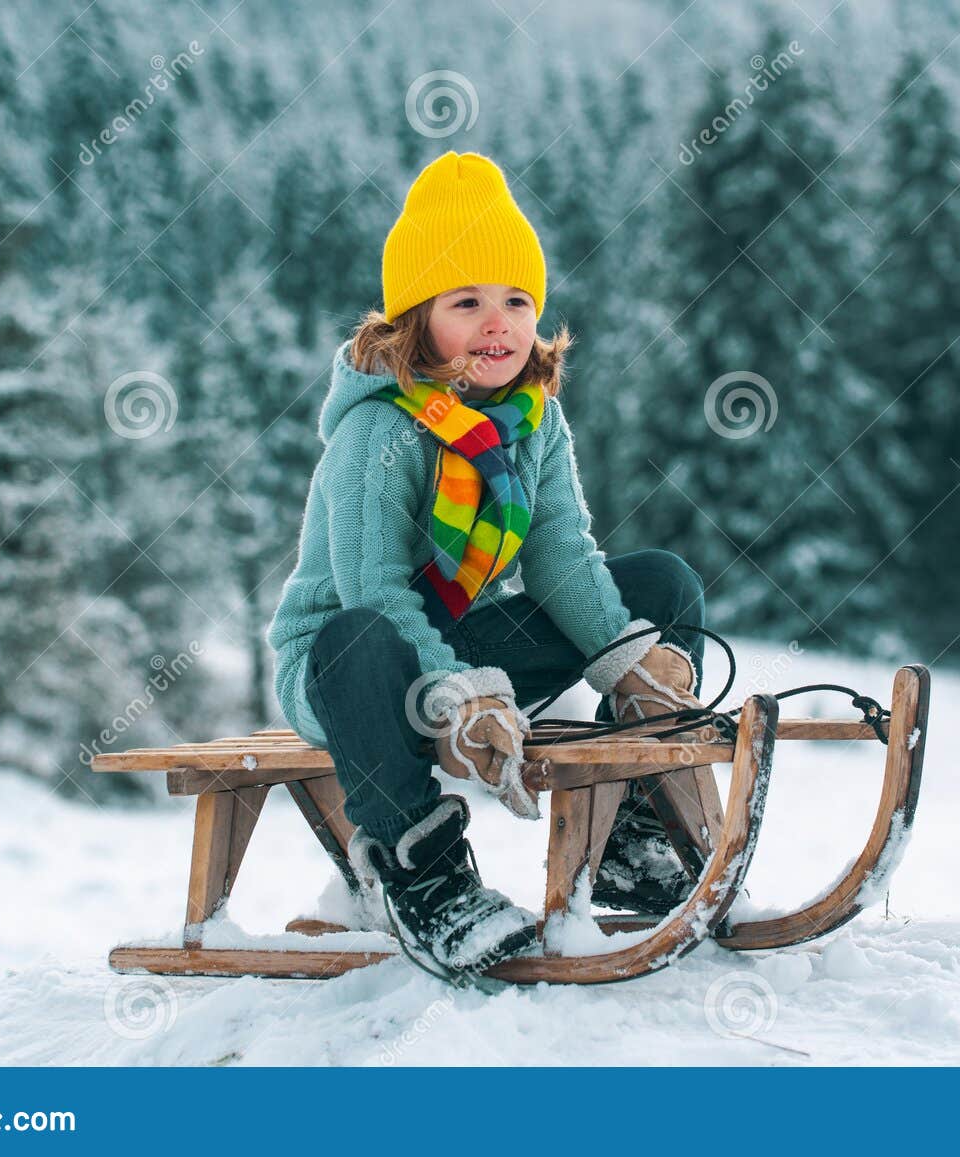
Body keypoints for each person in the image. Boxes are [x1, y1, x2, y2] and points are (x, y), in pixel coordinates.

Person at [266, 150, 709, 977]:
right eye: (466, 301)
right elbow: (378, 595)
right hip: (353, 665)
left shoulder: (532, 421)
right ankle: (422, 869)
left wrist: (627, 659)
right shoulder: (379, 433)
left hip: (459, 640)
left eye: (516, 300)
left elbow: (560, 554)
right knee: (361, 637)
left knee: (662, 586)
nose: (497, 322)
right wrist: (460, 698)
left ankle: (631, 825)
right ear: (414, 320)